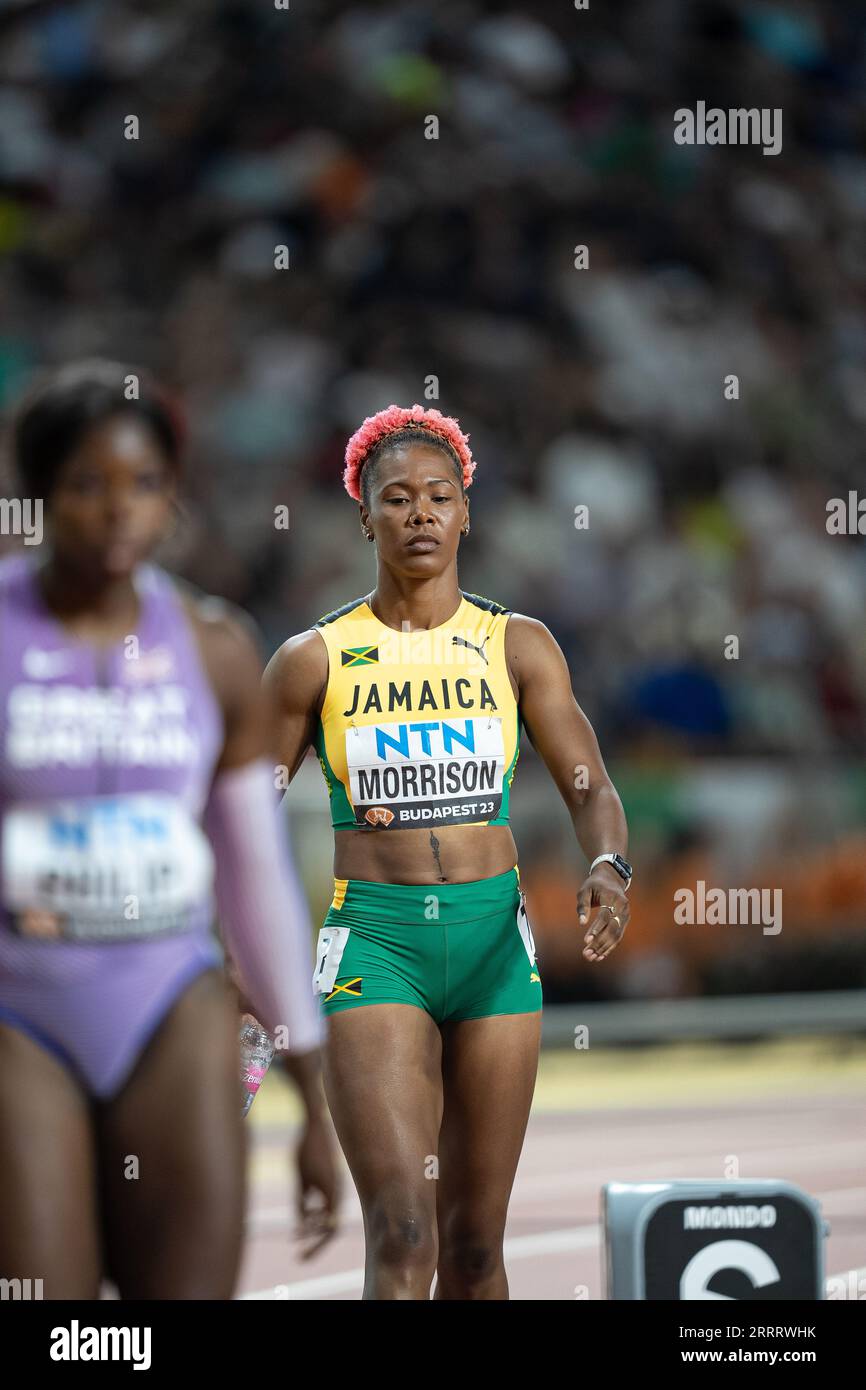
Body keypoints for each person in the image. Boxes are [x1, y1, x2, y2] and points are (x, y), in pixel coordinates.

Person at [264, 403, 633, 1300]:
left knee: (474, 1247)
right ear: (365, 517)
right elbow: (239, 819)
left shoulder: (518, 645)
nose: (420, 513)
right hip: (377, 945)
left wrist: (608, 863)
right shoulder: (314, 660)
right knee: (401, 1231)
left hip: (493, 949)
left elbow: (591, 785)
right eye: (397, 498)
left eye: (439, 496)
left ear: (467, 511)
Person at [0, 360, 336, 1299]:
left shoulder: (214, 649)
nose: (118, 512)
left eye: (144, 485)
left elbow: (255, 880)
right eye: (85, 486)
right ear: (36, 496)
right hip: (19, 1013)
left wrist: (312, 1089)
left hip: (169, 1006)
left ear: (174, 498)